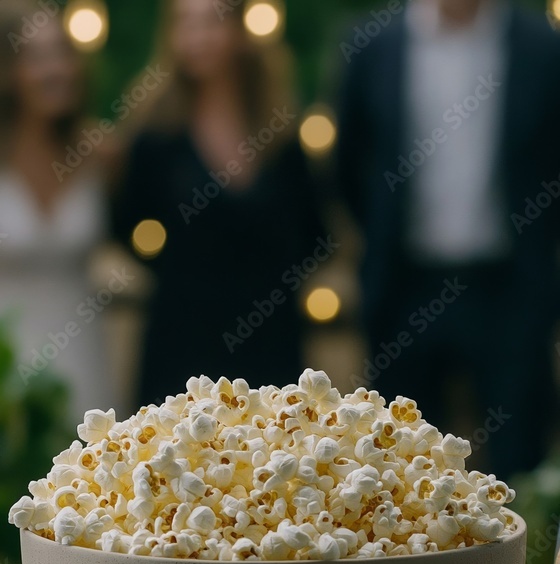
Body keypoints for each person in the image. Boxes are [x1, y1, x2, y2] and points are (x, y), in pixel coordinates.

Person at [337, 0, 560, 479]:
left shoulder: (542, 46)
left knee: (520, 460)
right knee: (399, 470)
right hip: (404, 290)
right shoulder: (374, 45)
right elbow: (351, 167)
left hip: (510, 289)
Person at [113, 0, 326, 406]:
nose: (198, 38)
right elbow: (126, 224)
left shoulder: (279, 136)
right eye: (185, 24)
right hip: (183, 341)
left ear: (241, 33)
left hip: (269, 338)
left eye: (212, 22)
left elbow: (314, 232)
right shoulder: (156, 137)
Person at [0, 1, 118, 425]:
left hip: (82, 358)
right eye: (36, 56)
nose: (56, 69)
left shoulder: (100, 156)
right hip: (5, 366)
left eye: (62, 53)